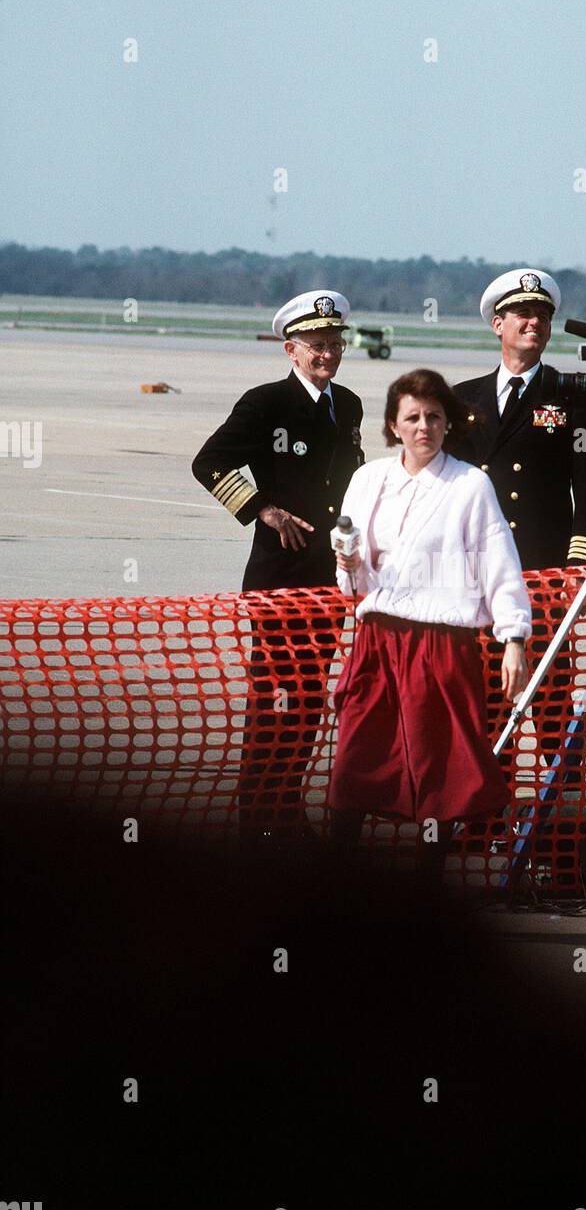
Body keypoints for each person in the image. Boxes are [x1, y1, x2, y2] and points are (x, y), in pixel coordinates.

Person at [329, 369, 531, 881]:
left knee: (440, 765)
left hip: (443, 642)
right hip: (378, 638)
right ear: (393, 425)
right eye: (412, 418)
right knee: (358, 754)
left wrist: (514, 639)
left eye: (434, 417)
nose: (424, 427)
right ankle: (335, 875)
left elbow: (498, 564)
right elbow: (350, 578)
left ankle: (426, 880)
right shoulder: (367, 480)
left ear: (448, 423)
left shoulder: (470, 484)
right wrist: (348, 566)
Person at [191, 291, 364, 845]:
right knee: (274, 695)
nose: (328, 355)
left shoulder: (350, 404)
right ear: (291, 349)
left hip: (327, 576)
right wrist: (261, 508)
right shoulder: (264, 403)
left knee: (311, 695)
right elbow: (208, 460)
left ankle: (287, 807)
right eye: (316, 346)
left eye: (335, 344)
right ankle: (256, 813)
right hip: (277, 576)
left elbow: (349, 480)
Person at [449, 267, 586, 568]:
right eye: (523, 313)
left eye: (543, 317)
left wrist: (576, 568)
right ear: (498, 324)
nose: (535, 322)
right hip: (471, 560)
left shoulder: (573, 399)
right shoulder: (461, 398)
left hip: (541, 564)